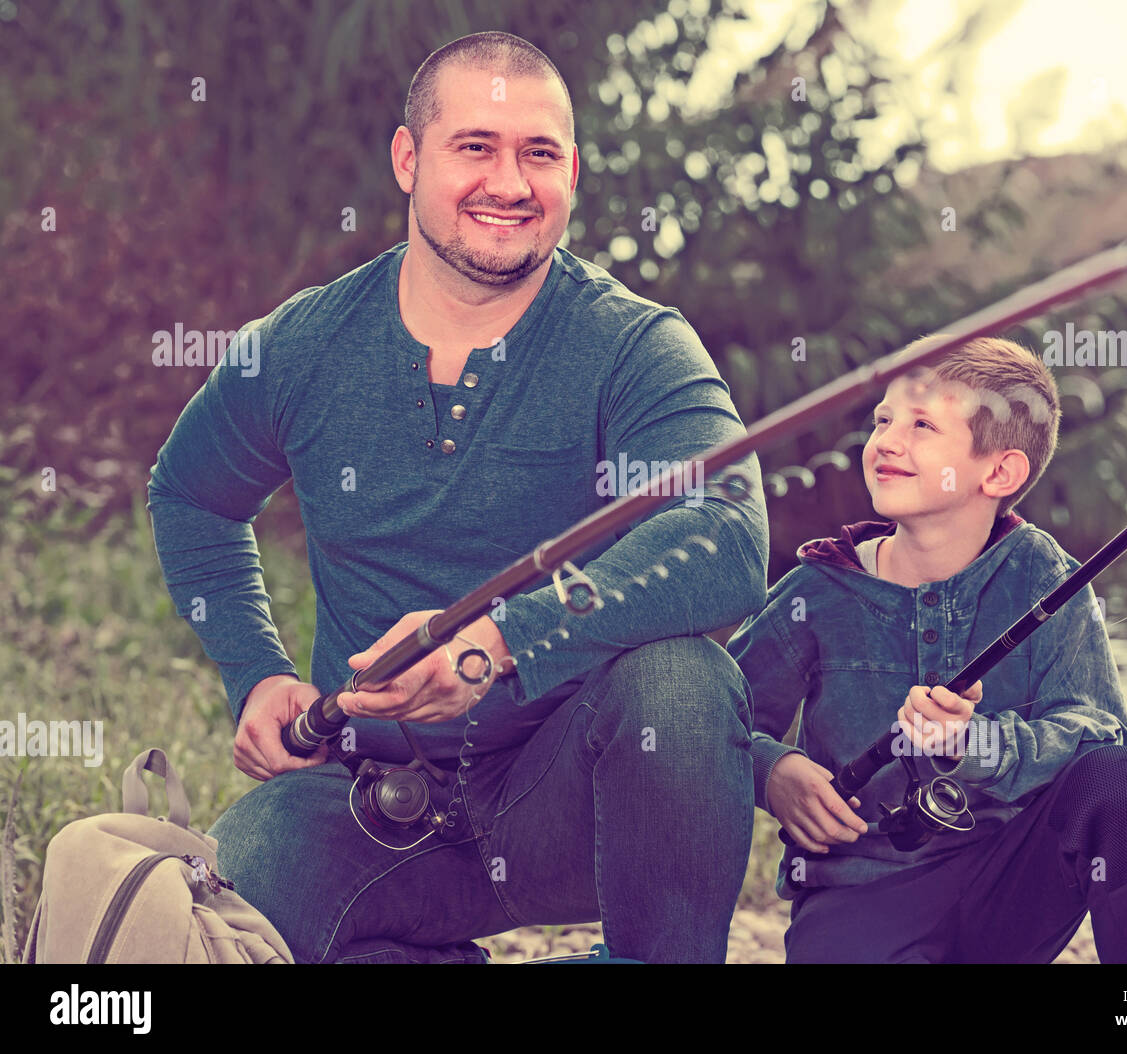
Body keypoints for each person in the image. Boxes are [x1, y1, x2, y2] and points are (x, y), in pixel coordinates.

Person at [147, 31, 768, 964]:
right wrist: (256, 671)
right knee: (211, 918)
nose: (510, 183)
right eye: (475, 147)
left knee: (681, 682)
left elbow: (724, 536)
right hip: (365, 798)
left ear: (573, 172)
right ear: (408, 158)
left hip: (567, 797)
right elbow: (190, 496)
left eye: (540, 153)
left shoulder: (639, 347)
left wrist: (505, 640)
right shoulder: (301, 345)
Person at [726, 335, 1127, 963]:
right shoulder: (818, 590)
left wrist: (979, 745)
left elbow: (1097, 733)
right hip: (860, 896)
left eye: (922, 425)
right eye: (882, 419)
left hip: (1009, 893)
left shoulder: (1041, 575)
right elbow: (719, 719)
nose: (887, 440)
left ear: (998, 471)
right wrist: (772, 771)